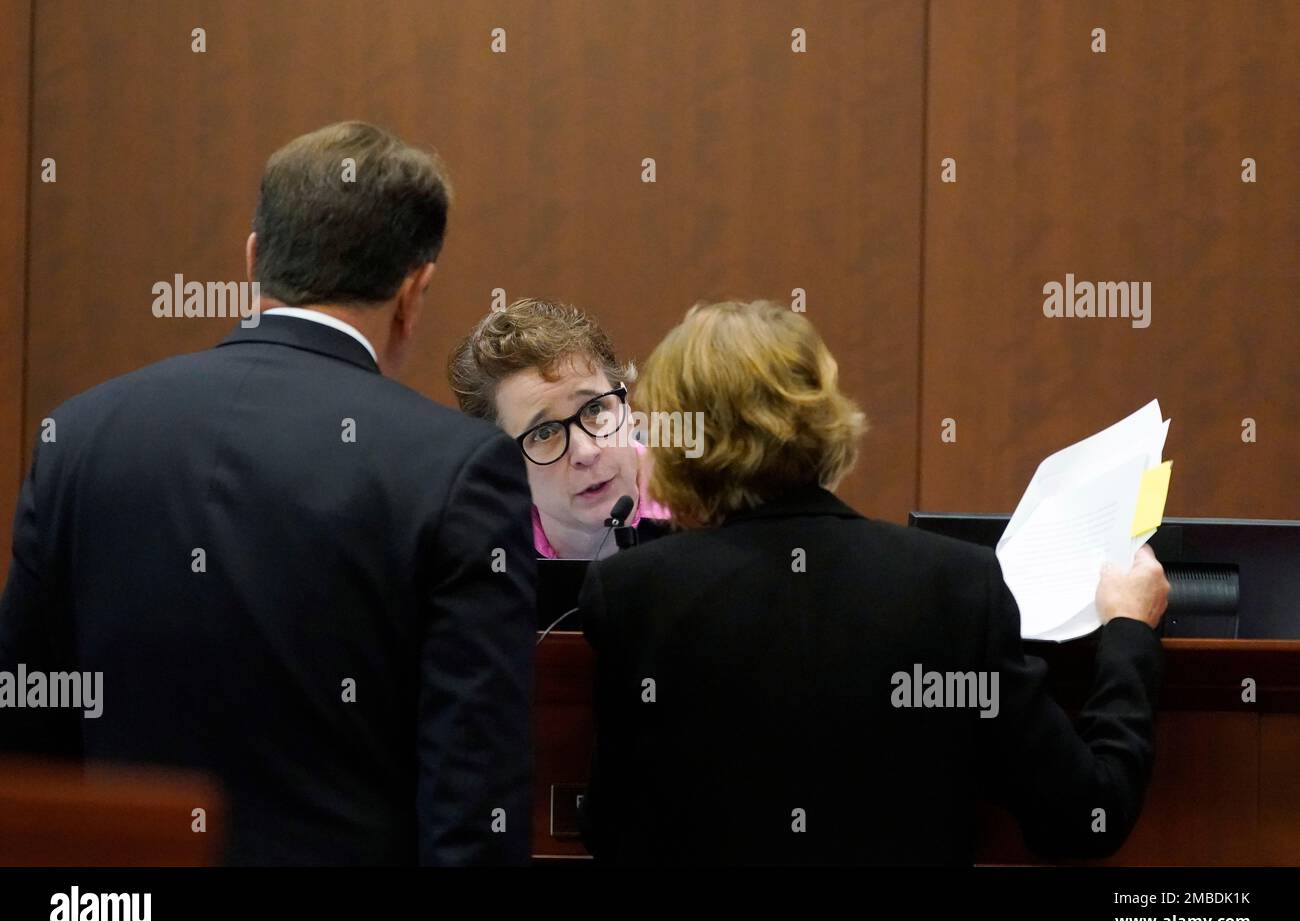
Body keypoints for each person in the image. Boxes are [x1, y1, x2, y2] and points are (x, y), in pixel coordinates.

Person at [0, 121, 536, 865]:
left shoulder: (79, 437)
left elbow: (27, 735)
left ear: (253, 257)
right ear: (416, 289)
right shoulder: (459, 469)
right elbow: (472, 804)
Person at [579, 299, 1170, 865]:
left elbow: (607, 826)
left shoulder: (631, 593)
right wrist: (1127, 635)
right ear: (823, 417)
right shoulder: (952, 585)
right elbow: (1087, 815)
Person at [448, 298, 671, 559]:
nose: (585, 453)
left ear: (628, 409)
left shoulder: (709, 511)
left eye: (595, 410)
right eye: (543, 433)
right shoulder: (481, 558)